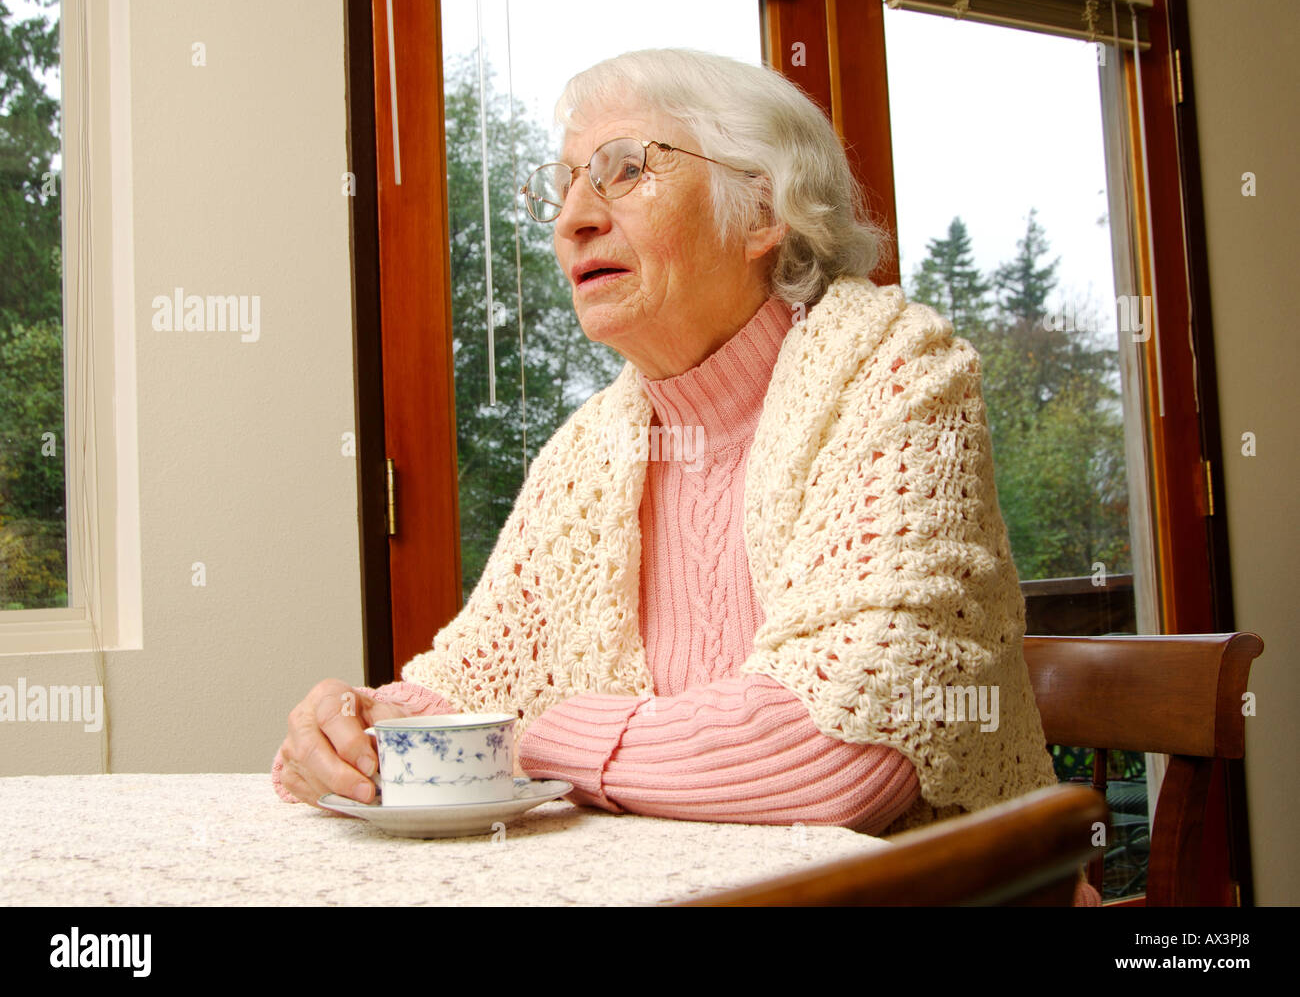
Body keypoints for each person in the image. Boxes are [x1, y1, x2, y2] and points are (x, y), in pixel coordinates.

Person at [273, 48, 1100, 905]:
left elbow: (843, 756)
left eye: (623, 170)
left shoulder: (896, 375)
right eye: (562, 186)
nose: (571, 220)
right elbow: (467, 689)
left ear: (762, 212)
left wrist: (542, 741)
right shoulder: (590, 452)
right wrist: (355, 732)